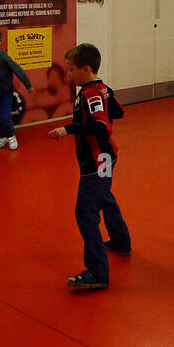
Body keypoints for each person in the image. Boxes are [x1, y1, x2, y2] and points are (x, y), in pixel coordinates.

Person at [47, 44, 131, 291]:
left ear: (86, 69)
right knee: (104, 197)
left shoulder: (91, 93)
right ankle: (120, 240)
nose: (69, 76)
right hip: (106, 157)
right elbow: (118, 112)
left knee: (85, 212)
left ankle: (97, 271)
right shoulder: (100, 89)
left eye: (71, 71)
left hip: (96, 161)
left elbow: (101, 126)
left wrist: (69, 129)